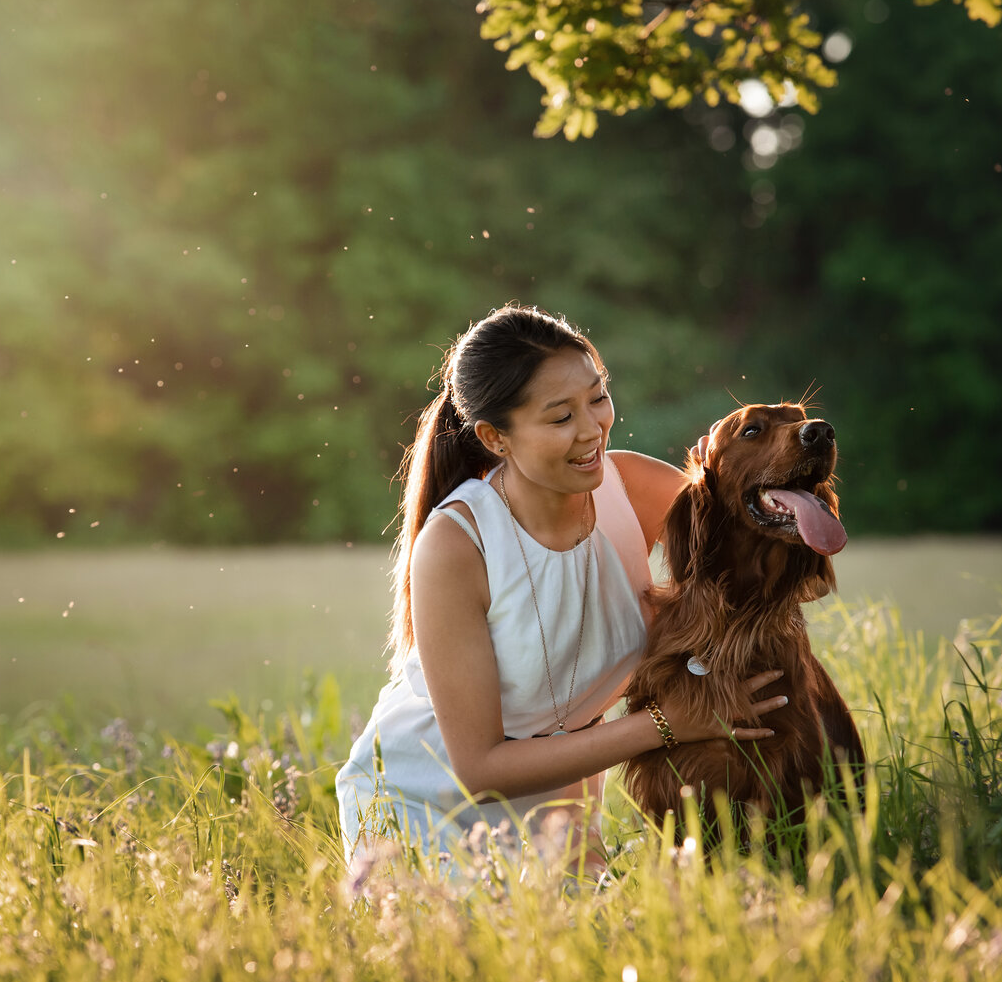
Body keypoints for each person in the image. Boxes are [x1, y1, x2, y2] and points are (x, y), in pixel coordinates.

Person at [335, 304, 786, 871]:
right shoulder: (457, 544)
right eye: (559, 417)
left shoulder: (638, 490)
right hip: (424, 805)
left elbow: (755, 561)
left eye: (597, 397)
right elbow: (479, 768)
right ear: (495, 437)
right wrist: (669, 726)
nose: (592, 428)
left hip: (560, 807)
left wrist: (768, 487)